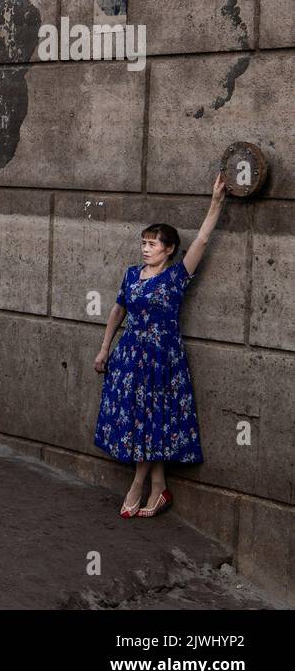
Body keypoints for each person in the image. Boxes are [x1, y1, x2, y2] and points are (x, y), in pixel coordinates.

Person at [94, 174, 226, 519]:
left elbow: (202, 238)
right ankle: (159, 488)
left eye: (153, 244)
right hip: (129, 357)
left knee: (153, 422)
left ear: (168, 249)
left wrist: (216, 202)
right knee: (142, 422)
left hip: (161, 359)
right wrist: (105, 348)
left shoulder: (176, 276)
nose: (146, 248)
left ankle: (137, 486)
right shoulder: (131, 274)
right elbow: (117, 310)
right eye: (144, 243)